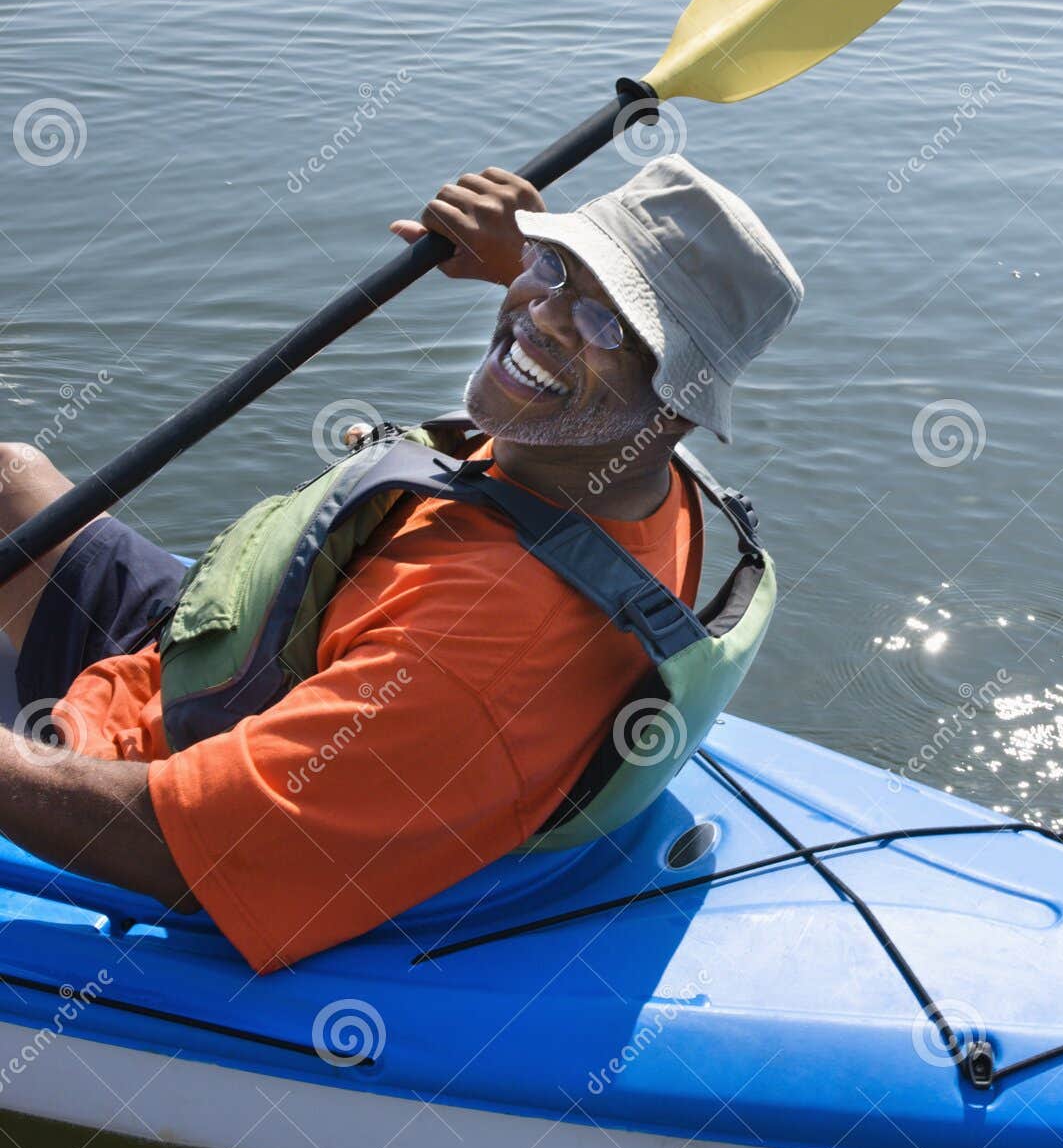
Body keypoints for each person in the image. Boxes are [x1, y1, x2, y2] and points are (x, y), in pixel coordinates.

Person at [0, 157, 802, 971]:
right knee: (10, 477)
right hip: (225, 659)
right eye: (555, 267)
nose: (541, 317)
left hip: (148, 770)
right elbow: (568, 337)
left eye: (607, 324)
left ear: (678, 408)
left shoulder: (477, 655)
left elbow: (187, 850)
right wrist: (528, 269)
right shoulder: (622, 465)